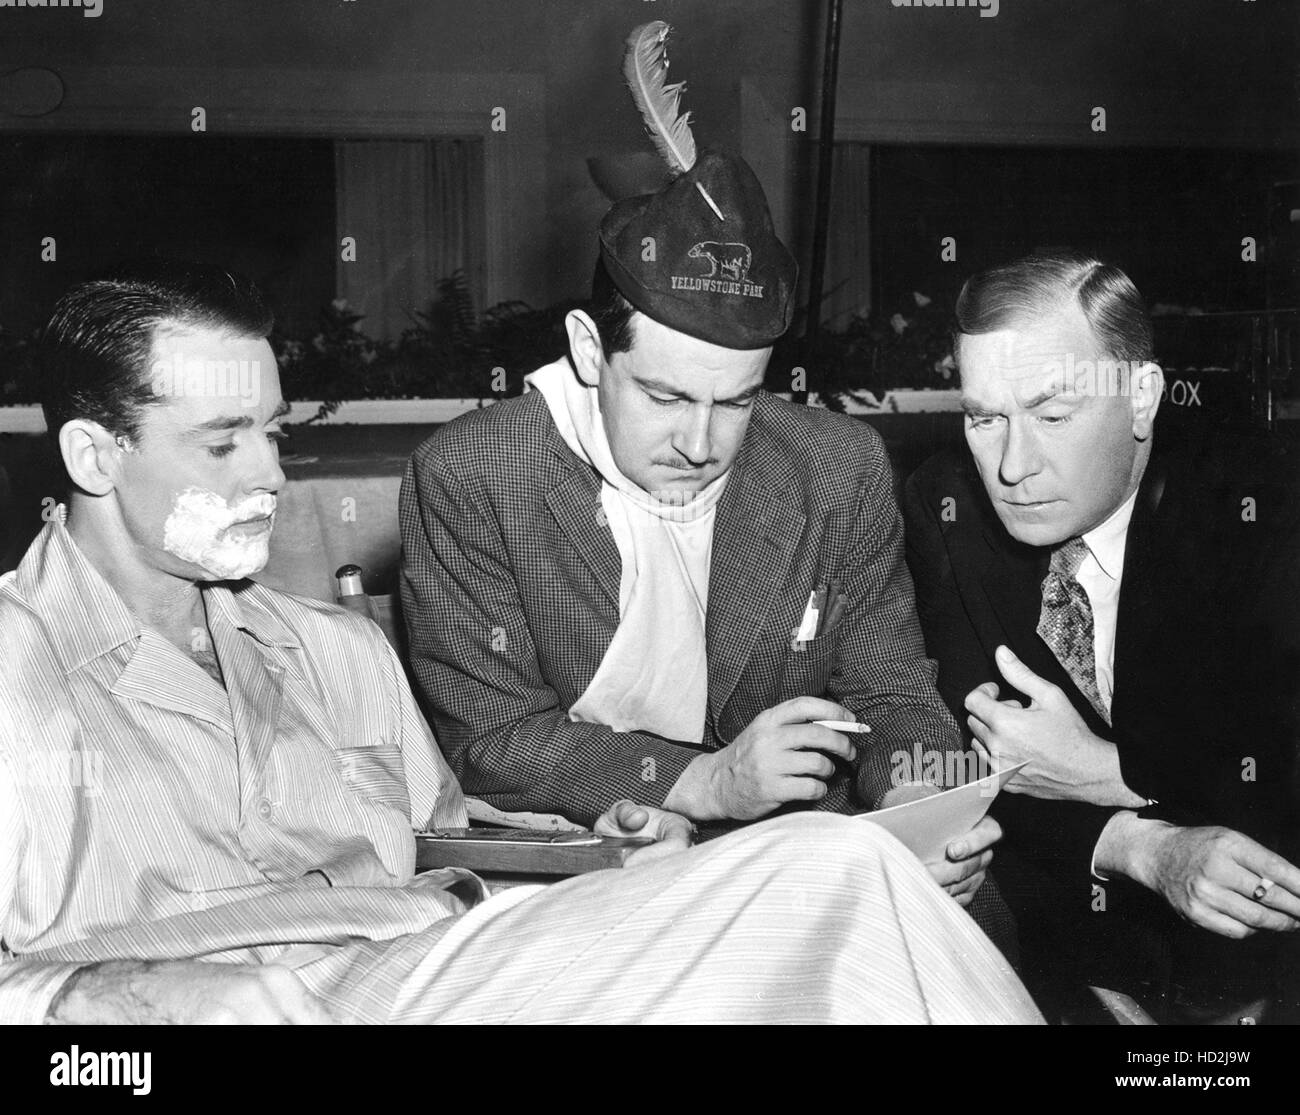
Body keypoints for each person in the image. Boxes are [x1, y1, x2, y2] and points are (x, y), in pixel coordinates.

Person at [0, 262, 1042, 1025]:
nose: (269, 474)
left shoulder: (329, 653)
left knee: (843, 864)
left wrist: (603, 850)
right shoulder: (14, 672)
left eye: (275, 432)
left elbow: (447, 838)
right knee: (836, 880)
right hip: (200, 1007)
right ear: (94, 454)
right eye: (223, 443)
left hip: (429, 968)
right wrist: (118, 1008)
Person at [400, 152, 1006, 921]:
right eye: (664, 395)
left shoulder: (835, 466)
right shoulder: (473, 476)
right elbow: (494, 740)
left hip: (810, 843)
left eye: (737, 401)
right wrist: (708, 781)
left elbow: (892, 692)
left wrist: (921, 800)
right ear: (590, 349)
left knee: (975, 918)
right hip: (595, 858)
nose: (699, 441)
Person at [902, 250, 1300, 1021]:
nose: (1014, 466)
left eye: (1053, 415)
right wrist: (1140, 845)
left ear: (1141, 397)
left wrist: (1107, 769)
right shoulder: (945, 505)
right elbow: (964, 772)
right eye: (986, 418)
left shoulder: (1259, 509)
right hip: (1073, 963)